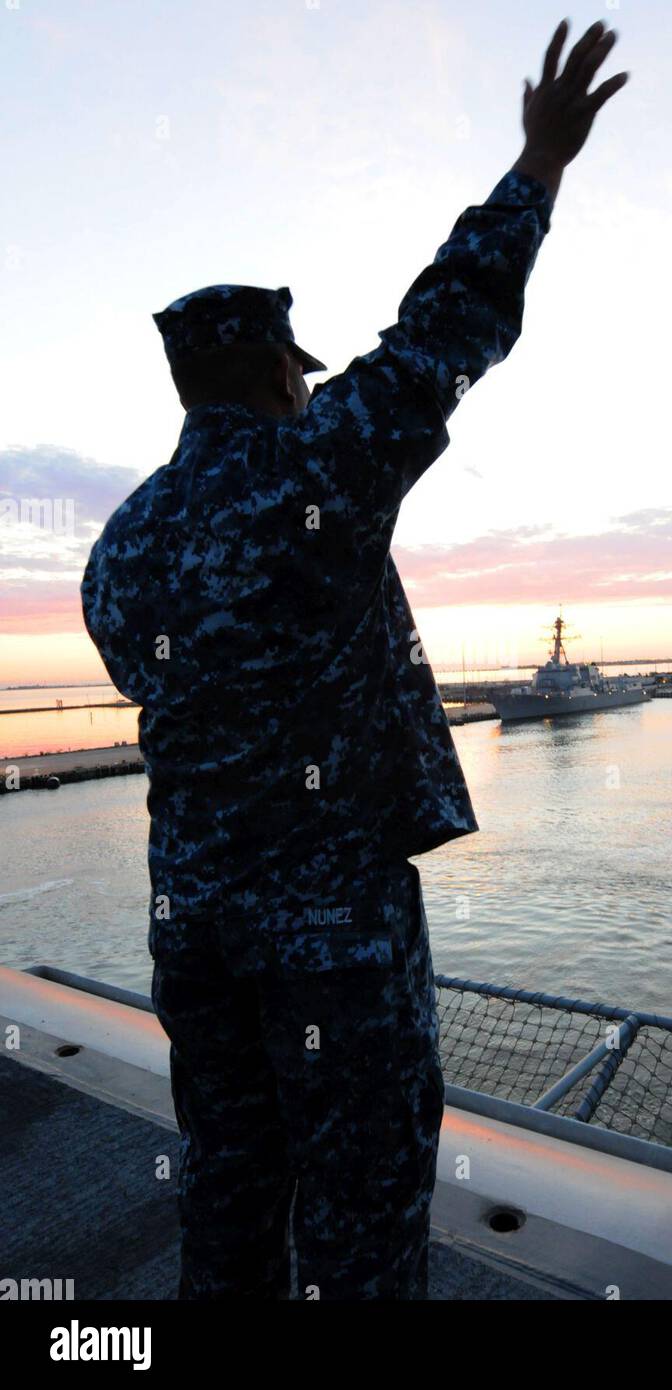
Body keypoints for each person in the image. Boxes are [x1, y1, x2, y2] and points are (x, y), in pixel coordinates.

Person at [80, 18, 628, 1301]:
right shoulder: (320, 470)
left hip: (198, 930)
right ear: (282, 371)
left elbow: (148, 682)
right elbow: (444, 330)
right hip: (332, 937)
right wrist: (539, 165)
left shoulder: (122, 548)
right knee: (364, 1209)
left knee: (227, 1185)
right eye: (301, 374)